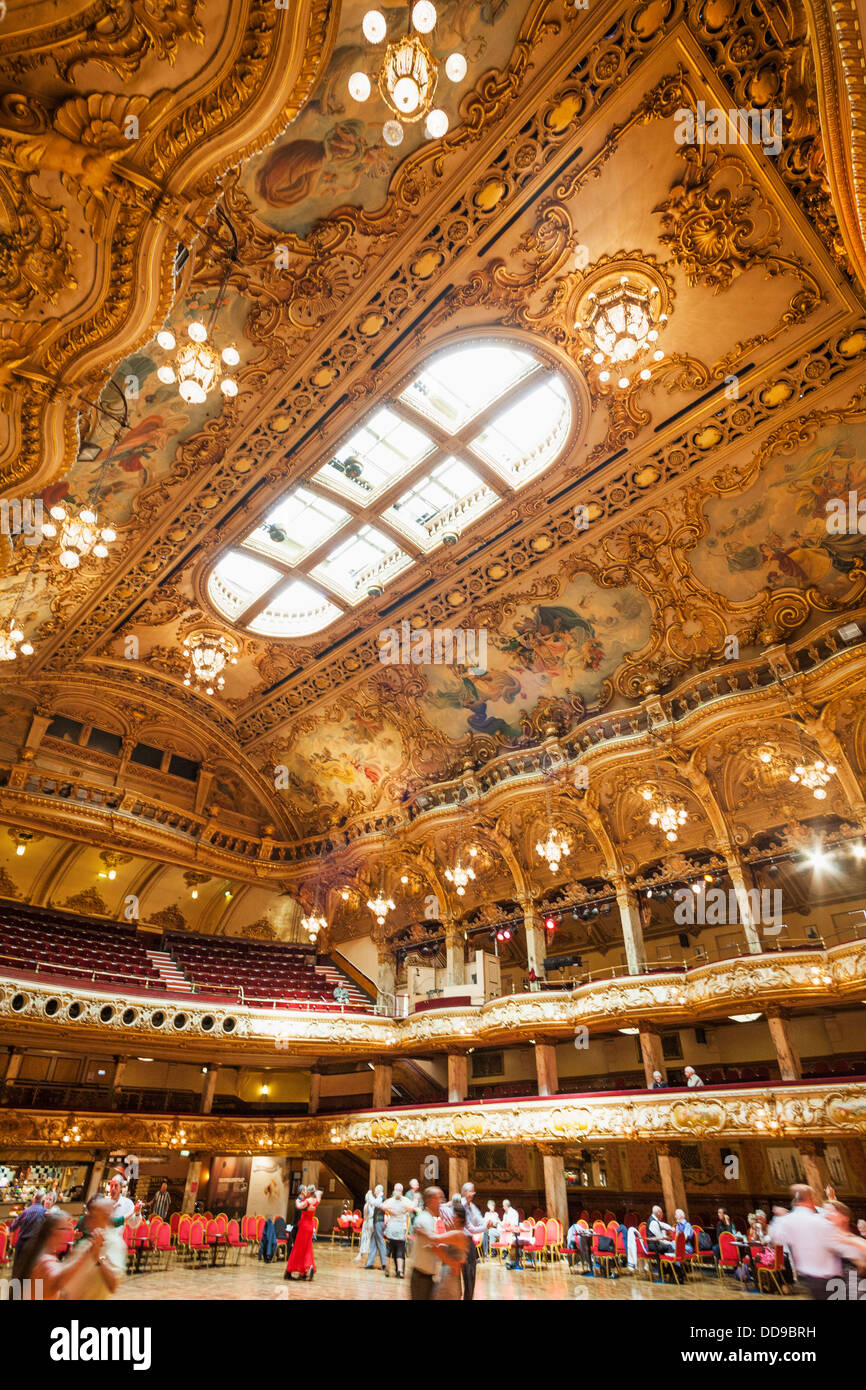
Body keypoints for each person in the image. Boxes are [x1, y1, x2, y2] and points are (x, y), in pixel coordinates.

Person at [768, 1184, 849, 1299]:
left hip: (818, 1277)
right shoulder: (812, 1218)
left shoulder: (793, 1219)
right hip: (826, 1275)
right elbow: (836, 1223)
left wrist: (780, 1218)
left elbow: (776, 1237)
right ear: (809, 1199)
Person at [16, 1209, 103, 1300]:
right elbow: (58, 1280)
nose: (70, 1233)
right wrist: (89, 1252)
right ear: (53, 1232)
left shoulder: (42, 1251)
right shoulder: (45, 1261)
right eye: (66, 1229)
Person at [66, 1196, 125, 1298]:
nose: (88, 1218)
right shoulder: (87, 1241)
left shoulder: (113, 1243)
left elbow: (113, 1285)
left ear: (105, 1217)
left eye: (93, 1215)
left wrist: (98, 1258)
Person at [442, 1182, 484, 1299]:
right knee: (452, 1274)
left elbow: (479, 1224)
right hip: (455, 1240)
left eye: (473, 1191)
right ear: (464, 1192)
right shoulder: (454, 1205)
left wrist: (486, 1226)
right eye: (471, 1191)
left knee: (470, 1275)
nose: (473, 1194)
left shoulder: (473, 1208)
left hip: (468, 1242)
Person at [409, 1186, 443, 1300]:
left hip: (427, 1277)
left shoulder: (429, 1218)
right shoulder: (424, 1219)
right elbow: (433, 1242)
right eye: (440, 1198)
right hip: (421, 1278)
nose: (441, 1202)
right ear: (431, 1200)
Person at [435, 1201, 471, 1299]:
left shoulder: (458, 1234)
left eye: (454, 1214)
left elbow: (435, 1239)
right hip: (449, 1276)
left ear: (459, 1218)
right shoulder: (457, 1232)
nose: (452, 1216)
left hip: (450, 1278)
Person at [285, 1186, 321, 1281]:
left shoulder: (307, 1201)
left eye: (306, 1190)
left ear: (309, 1192)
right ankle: (306, 1269)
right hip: (310, 1226)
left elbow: (298, 1206)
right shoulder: (315, 1200)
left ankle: (290, 1271)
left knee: (298, 1249)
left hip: (304, 1227)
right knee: (307, 1250)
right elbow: (319, 1194)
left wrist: (299, 1198)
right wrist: (316, 1193)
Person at [9, 1189, 46, 1280]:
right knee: (31, 1269)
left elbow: (13, 1226)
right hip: (37, 1244)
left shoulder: (26, 1212)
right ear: (42, 1200)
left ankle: (15, 1290)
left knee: (17, 1268)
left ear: (34, 1199)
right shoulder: (45, 1212)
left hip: (23, 1243)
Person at [382, 1182, 413, 1278]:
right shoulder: (405, 1201)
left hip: (391, 1227)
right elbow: (412, 1208)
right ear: (402, 1191)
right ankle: (400, 1271)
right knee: (400, 1250)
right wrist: (405, 1210)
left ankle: (387, 1270)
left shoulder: (390, 1201)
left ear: (394, 1191)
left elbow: (382, 1206)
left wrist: (391, 1211)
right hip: (400, 1228)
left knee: (389, 1249)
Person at [364, 1183, 388, 1271]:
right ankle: (369, 1263)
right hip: (376, 1222)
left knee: (380, 1242)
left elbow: (375, 1203)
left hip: (379, 1222)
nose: (374, 1192)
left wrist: (369, 1195)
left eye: (375, 1190)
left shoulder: (381, 1197)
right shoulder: (379, 1197)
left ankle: (384, 1264)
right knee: (373, 1243)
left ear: (378, 1191)